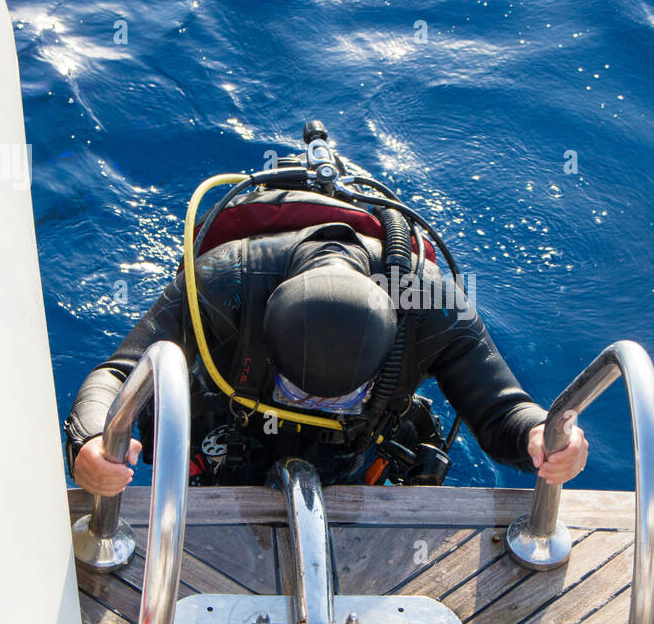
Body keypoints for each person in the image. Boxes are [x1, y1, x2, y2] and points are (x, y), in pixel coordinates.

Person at [64, 124, 588, 495]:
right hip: (230, 439)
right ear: (267, 330)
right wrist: (90, 441)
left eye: (338, 397)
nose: (313, 406)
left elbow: (500, 411)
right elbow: (117, 372)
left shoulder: (427, 304)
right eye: (298, 391)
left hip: (356, 457)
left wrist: (542, 438)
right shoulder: (227, 284)